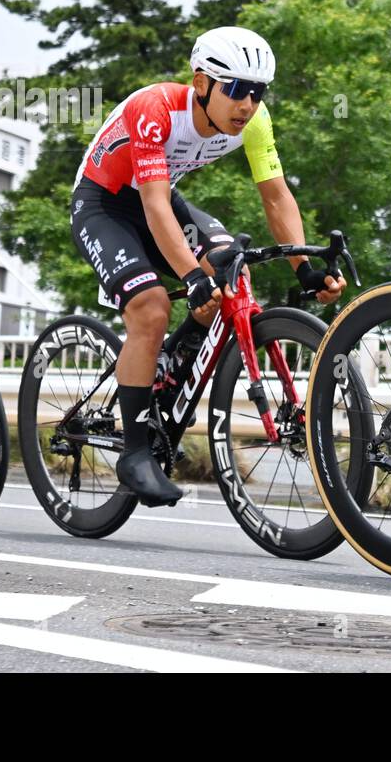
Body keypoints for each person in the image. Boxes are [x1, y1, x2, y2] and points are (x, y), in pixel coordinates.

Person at [71, 26, 345, 506]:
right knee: (151, 307)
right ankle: (135, 451)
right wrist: (192, 276)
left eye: (258, 93)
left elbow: (276, 196)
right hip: (104, 204)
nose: (248, 105)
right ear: (202, 84)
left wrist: (304, 266)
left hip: (158, 200)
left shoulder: (255, 123)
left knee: (233, 272)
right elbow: (155, 208)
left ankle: (172, 368)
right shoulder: (155, 109)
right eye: (237, 90)